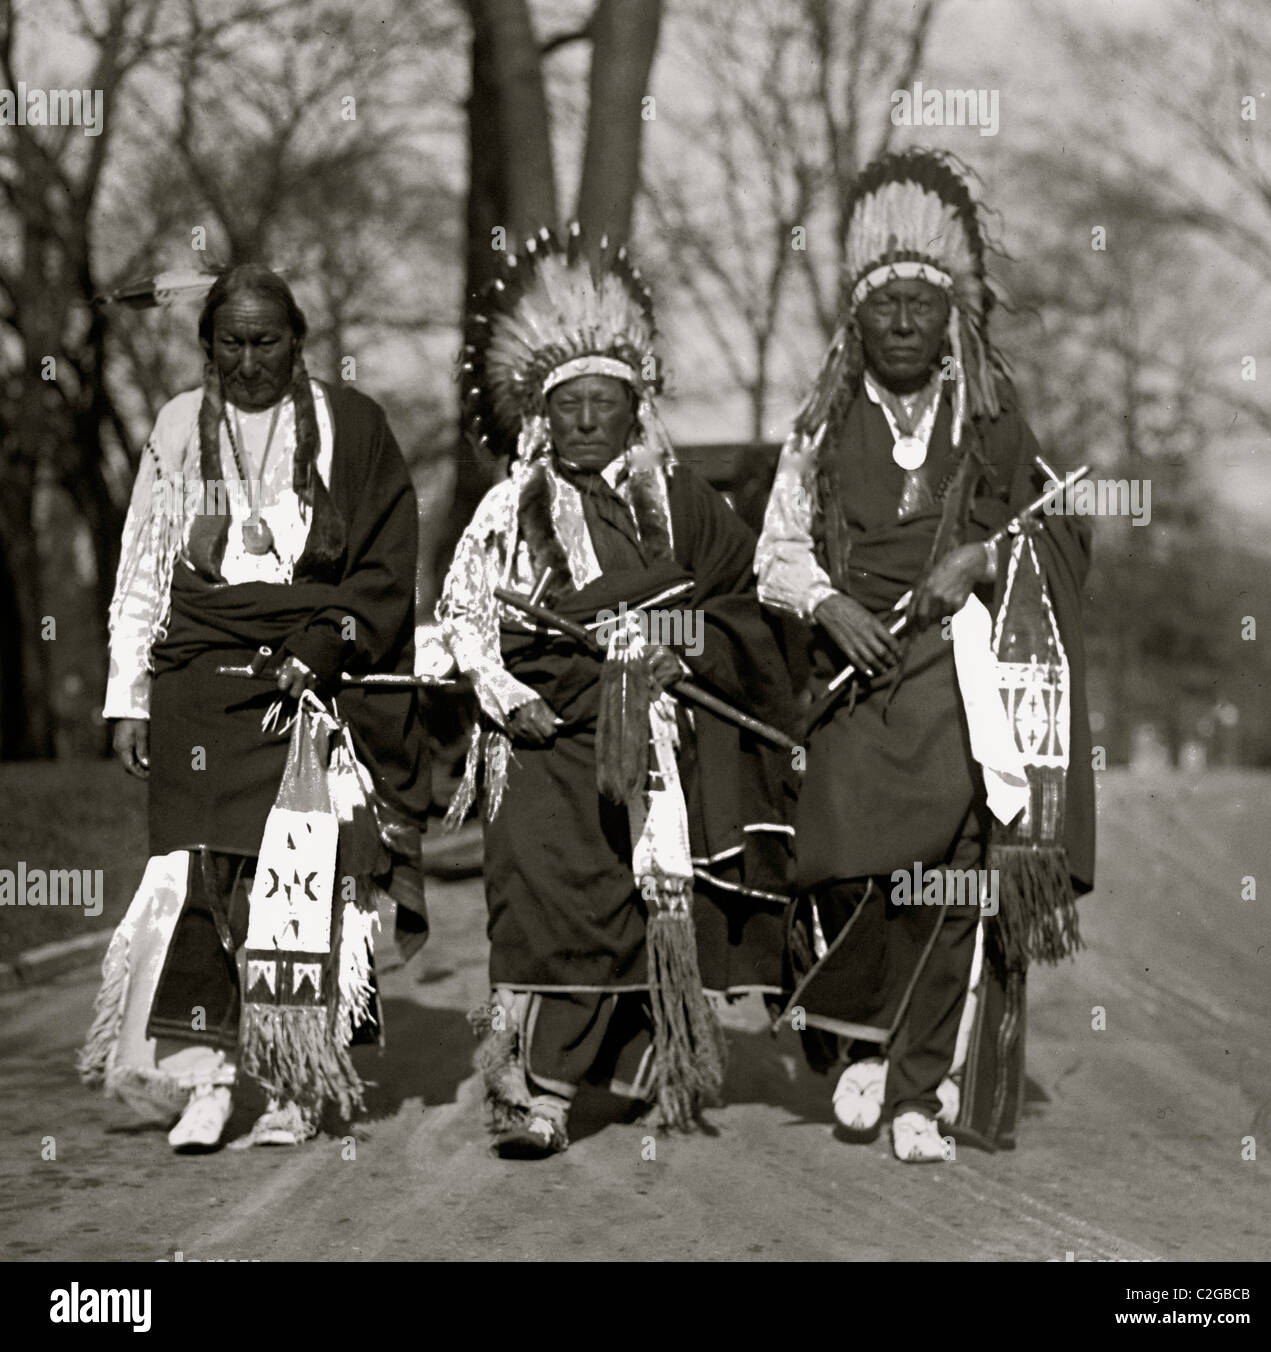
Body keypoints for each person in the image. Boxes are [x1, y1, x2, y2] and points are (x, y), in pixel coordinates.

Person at [756, 149, 1094, 1161]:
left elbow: (1060, 531)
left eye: (920, 300)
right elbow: (774, 551)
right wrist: (824, 602)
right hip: (856, 683)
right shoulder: (818, 426)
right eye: (882, 303)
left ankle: (915, 1088)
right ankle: (854, 1031)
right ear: (852, 320)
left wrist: (984, 558)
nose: (902, 319)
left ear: (949, 314)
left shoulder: (993, 425)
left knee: (949, 880)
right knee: (848, 868)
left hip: (961, 679)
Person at [436, 225, 794, 1158]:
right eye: (571, 407)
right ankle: (525, 1089)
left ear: (636, 411)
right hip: (536, 740)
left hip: (643, 738)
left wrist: (674, 648)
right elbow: (461, 618)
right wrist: (507, 693)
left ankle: (593, 1080)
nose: (589, 422)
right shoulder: (505, 509)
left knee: (630, 901)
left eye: (608, 404)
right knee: (541, 908)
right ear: (542, 418)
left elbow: (740, 598)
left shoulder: (675, 501)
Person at [79, 264, 429, 1151]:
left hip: (301, 686)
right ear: (207, 346)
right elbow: (144, 570)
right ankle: (204, 1077)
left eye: (265, 341)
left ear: (299, 340)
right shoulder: (173, 427)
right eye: (228, 342)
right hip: (197, 685)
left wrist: (329, 642)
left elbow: (386, 569)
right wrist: (130, 699)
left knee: (292, 882)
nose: (247, 361)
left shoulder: (352, 428)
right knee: (193, 881)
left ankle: (293, 1081)